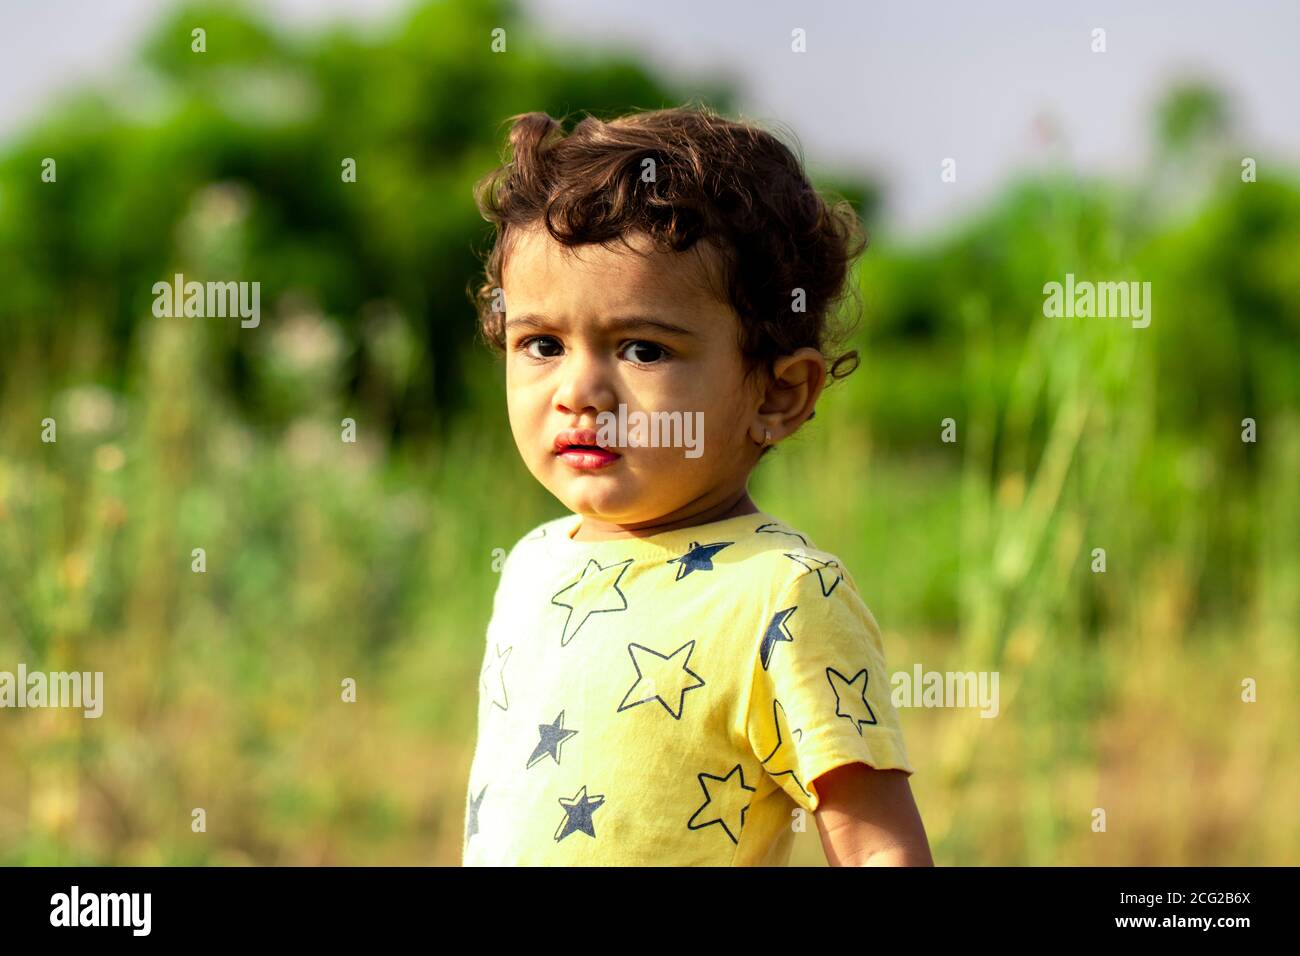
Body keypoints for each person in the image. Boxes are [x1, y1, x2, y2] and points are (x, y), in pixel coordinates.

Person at [461, 104, 932, 866]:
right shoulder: (532, 563)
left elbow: (879, 849)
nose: (579, 391)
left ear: (777, 395)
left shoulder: (780, 595)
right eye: (541, 344)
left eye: (643, 349)